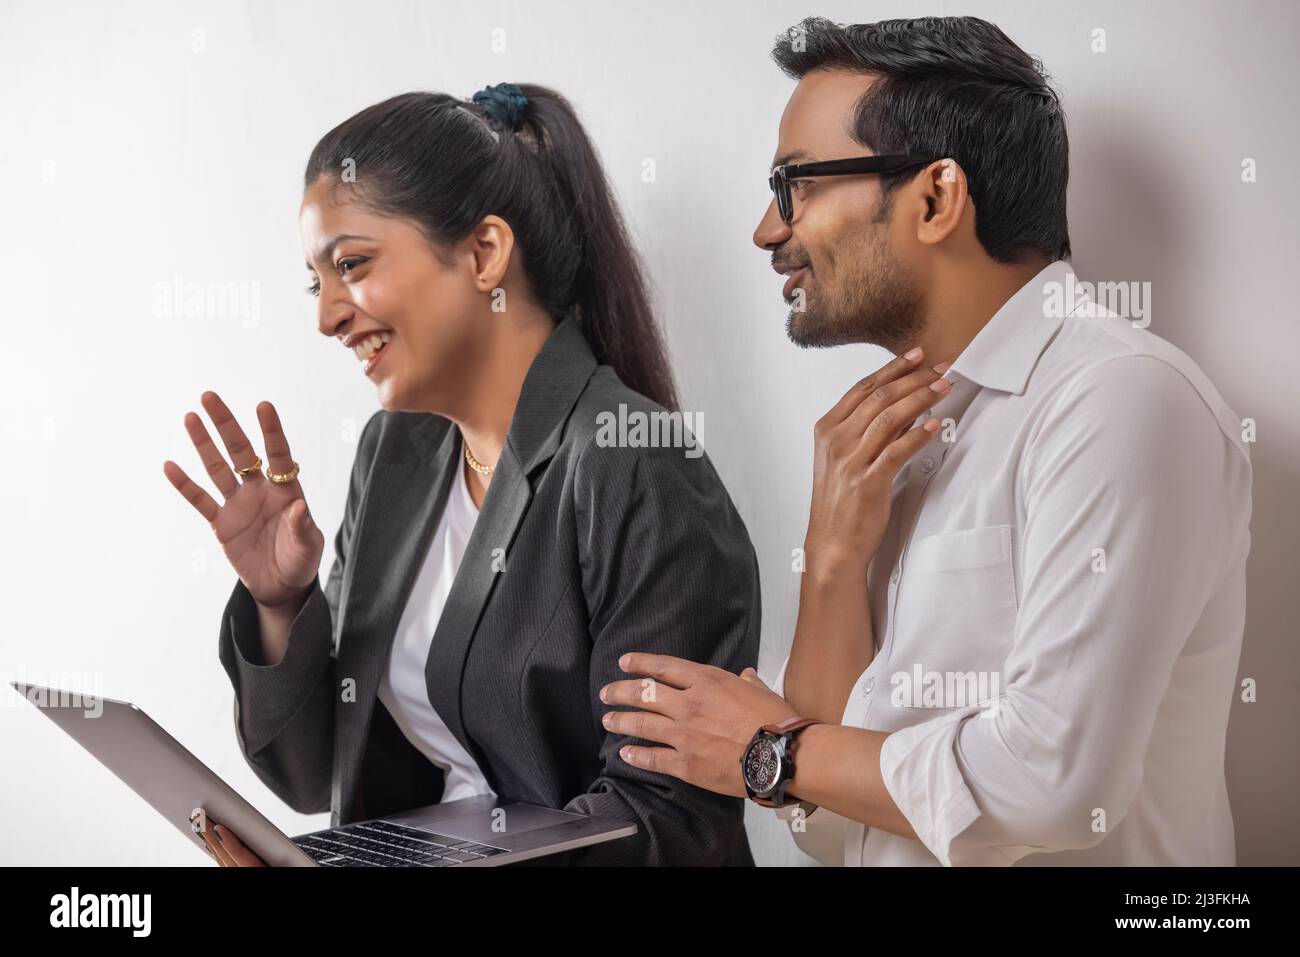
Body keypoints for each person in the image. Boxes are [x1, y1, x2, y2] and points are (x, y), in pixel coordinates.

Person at [601, 16, 1252, 866]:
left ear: (937, 198)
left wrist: (770, 747)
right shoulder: (881, 442)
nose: (768, 229)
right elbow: (826, 830)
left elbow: (1051, 785)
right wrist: (831, 560)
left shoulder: (1120, 399)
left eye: (794, 183)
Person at [162, 83, 759, 866]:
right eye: (318, 282)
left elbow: (665, 824)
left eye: (352, 264)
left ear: (484, 254)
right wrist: (283, 603)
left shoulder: (634, 463)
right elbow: (315, 776)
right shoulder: (394, 455)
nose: (327, 315)